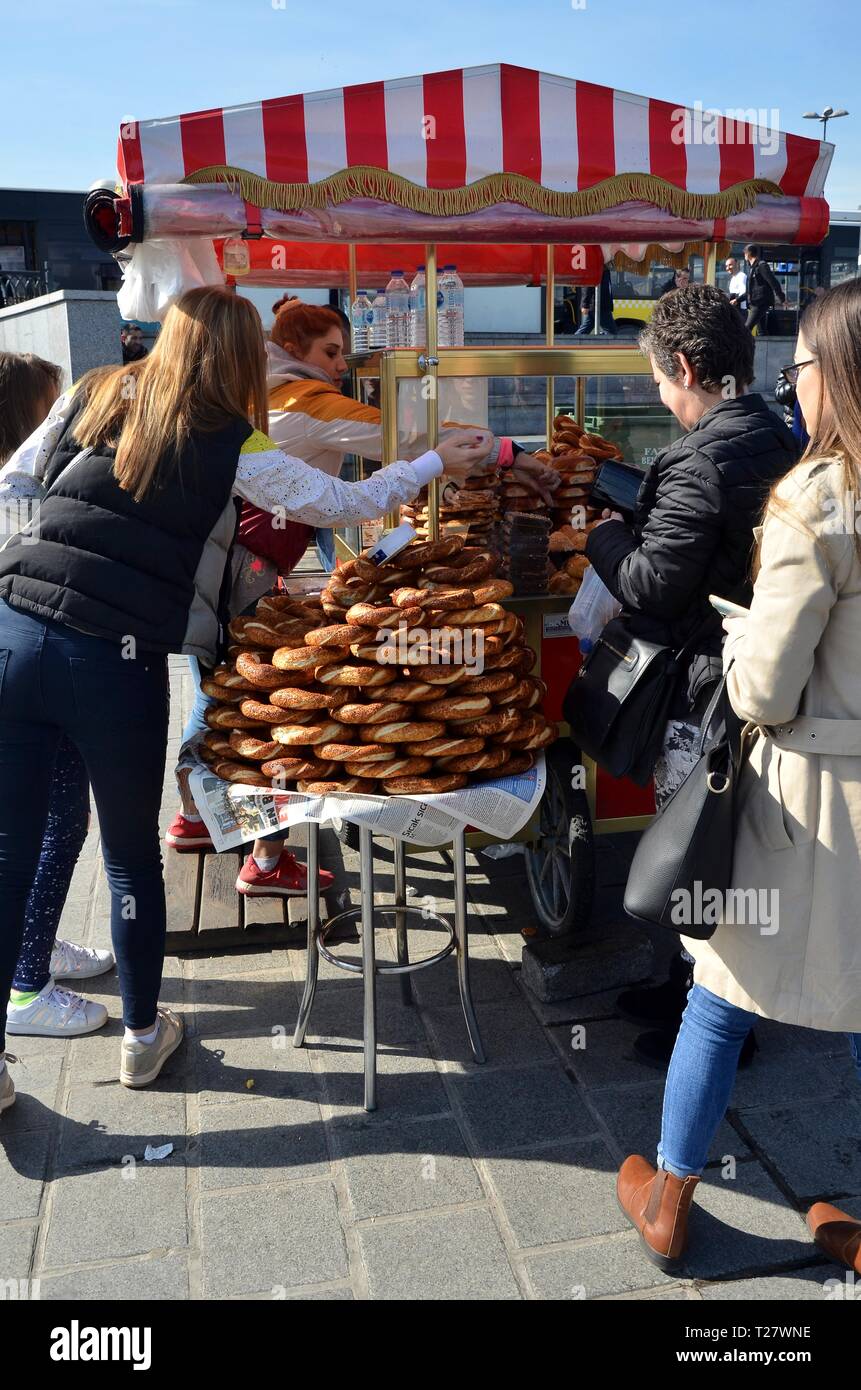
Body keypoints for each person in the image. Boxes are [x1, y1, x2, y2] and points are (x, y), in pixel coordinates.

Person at [0, 286, 490, 1108]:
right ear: (236, 357)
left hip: (12, 633)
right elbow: (345, 503)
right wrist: (438, 459)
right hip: (109, 658)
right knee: (127, 857)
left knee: (10, 850)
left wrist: (33, 567)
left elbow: (13, 480)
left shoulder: (92, 390)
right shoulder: (231, 435)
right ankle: (142, 1037)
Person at [617, 277, 861, 1276]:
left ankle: (673, 1195)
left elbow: (764, 690)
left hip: (813, 802)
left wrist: (747, 624)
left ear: (834, 373)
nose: (794, 384)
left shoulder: (819, 498)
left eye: (802, 365)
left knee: (719, 991)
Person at [167, 295, 559, 897]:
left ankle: (196, 818)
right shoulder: (295, 398)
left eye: (345, 354)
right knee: (253, 715)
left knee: (221, 695)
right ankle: (262, 860)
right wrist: (507, 451)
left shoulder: (235, 398)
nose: (341, 365)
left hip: (215, 569)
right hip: (235, 572)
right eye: (331, 351)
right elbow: (396, 437)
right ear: (285, 348)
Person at [584, 285, 798, 1068]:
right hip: (752, 671)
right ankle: (681, 987)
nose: (662, 398)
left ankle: (712, 1022)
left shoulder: (698, 456)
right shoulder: (774, 435)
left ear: (683, 367)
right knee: (716, 847)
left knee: (694, 847)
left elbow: (650, 584)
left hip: (705, 680)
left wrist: (602, 539)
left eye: (658, 383)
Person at [0, 354, 115, 1046]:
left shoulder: (24, 477)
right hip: (31, 675)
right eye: (55, 403)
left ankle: (33, 951)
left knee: (54, 822)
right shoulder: (18, 485)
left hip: (37, 669)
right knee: (56, 823)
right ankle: (25, 988)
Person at [743, 244, 786, 335]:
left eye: (745, 254)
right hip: (755, 303)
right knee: (761, 331)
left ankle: (741, 348)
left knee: (746, 329)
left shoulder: (761, 265)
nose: (744, 257)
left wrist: (782, 298)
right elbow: (750, 291)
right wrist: (738, 299)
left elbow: (773, 281)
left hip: (760, 303)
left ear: (748, 254)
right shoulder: (752, 268)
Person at [575, 264, 616, 335]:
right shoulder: (594, 267)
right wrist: (585, 305)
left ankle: (571, 343)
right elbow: (587, 286)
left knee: (585, 329)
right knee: (611, 331)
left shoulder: (604, 270)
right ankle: (571, 343)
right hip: (599, 305)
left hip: (599, 305)